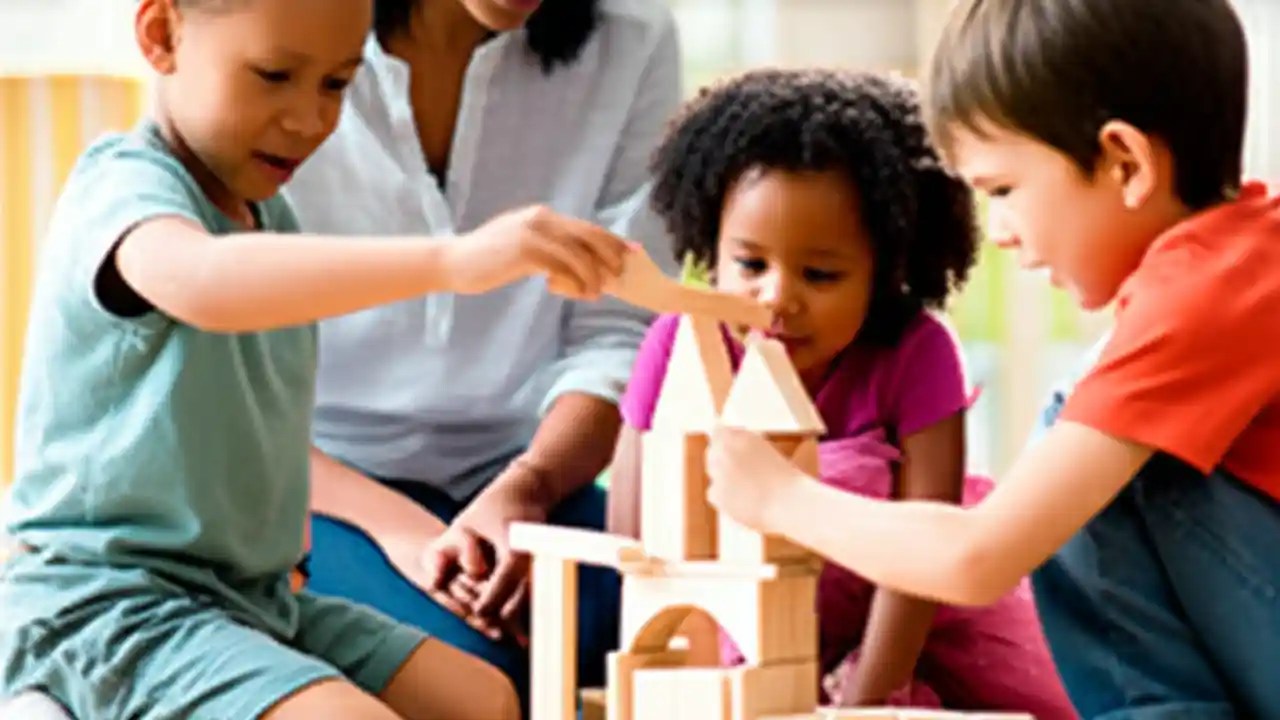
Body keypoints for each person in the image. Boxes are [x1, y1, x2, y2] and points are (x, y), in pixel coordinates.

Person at [0, 0, 632, 718]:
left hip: (254, 598)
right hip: (111, 604)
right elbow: (202, 280)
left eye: (335, 85)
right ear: (160, 34)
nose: (310, 120)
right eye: (274, 75)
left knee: (485, 700)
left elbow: (251, 418)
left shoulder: (267, 212)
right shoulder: (124, 189)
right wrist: (454, 261)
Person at [699, 1, 1280, 718]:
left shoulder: (1202, 296)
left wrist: (782, 499)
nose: (999, 232)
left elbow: (977, 558)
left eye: (1002, 191)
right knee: (1102, 438)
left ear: (1123, 162)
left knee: (1085, 436)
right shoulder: (1244, 261)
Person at [607, 68, 1076, 717]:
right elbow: (636, 535)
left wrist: (868, 696)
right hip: (727, 630)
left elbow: (920, 562)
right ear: (708, 246)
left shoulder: (918, 352)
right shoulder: (679, 345)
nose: (777, 297)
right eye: (749, 265)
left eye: (820, 274)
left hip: (900, 625)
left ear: (887, 271)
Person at [282, 0, 682, 700]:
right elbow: (222, 375)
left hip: (535, 476)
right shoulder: (287, 30)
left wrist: (528, 484)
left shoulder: (635, 35)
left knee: (664, 647)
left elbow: (621, 330)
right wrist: (404, 531)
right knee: (475, 673)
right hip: (318, 485)